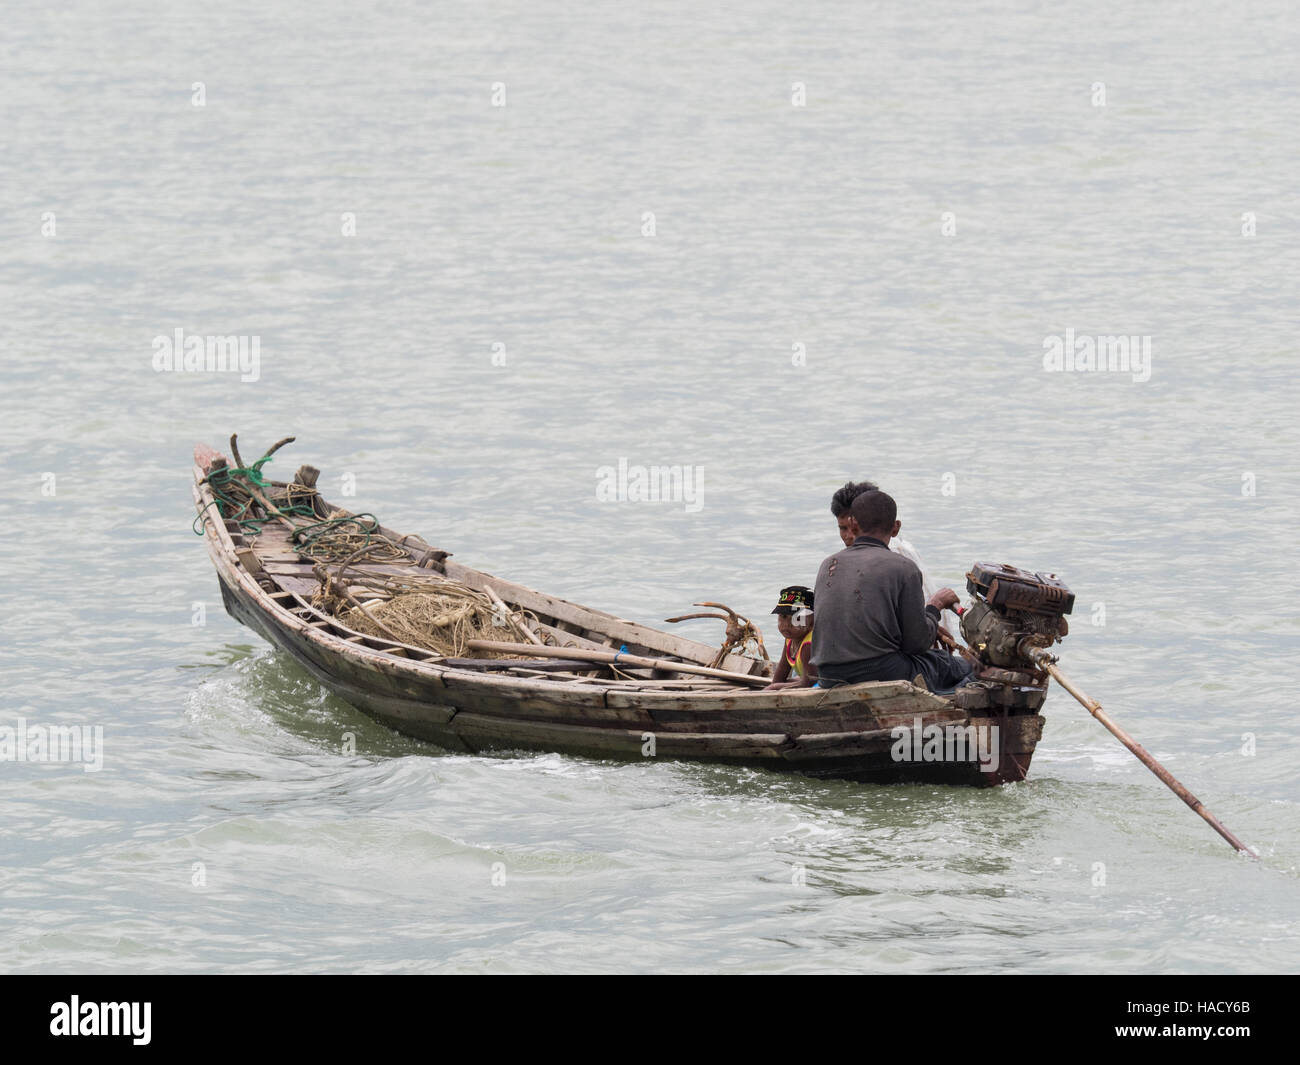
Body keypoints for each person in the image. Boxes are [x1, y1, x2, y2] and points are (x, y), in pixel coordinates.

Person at [811, 490, 974, 693]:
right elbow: (917, 644)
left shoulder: (828, 564)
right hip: (880, 671)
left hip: (828, 674)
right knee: (964, 667)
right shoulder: (904, 568)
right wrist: (935, 607)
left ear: (853, 525)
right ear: (896, 528)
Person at [830, 479, 959, 649]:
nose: (848, 536)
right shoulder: (843, 562)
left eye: (852, 527)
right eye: (842, 529)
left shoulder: (894, 554)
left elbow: (912, 629)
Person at [761, 586, 818, 691]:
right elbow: (783, 669)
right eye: (783, 616)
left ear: (812, 622)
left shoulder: (809, 645)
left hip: (823, 682)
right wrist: (773, 687)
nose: (786, 625)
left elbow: (810, 682)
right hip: (807, 679)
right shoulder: (790, 639)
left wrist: (774, 687)